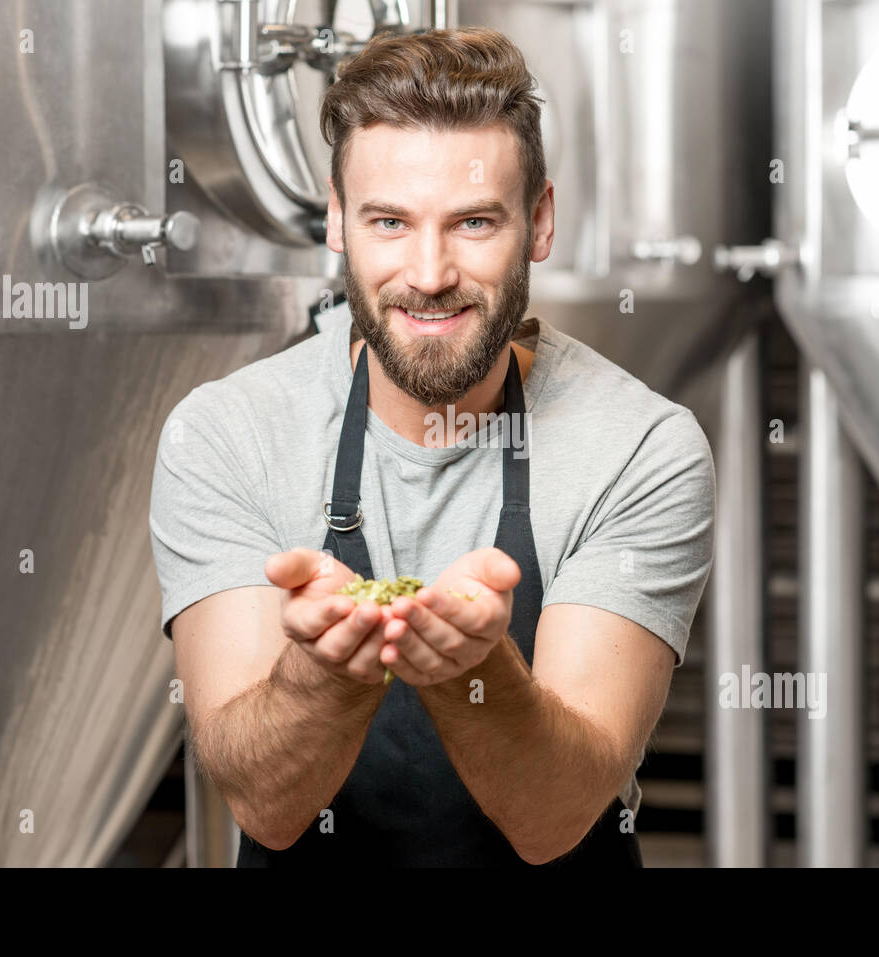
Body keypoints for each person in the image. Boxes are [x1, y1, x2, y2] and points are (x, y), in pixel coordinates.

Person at [149, 26, 715, 867]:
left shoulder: (639, 447)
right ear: (338, 223)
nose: (428, 271)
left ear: (540, 221)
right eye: (389, 221)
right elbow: (264, 804)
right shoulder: (227, 434)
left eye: (474, 221)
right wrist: (324, 675)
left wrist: (471, 673)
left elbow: (555, 814)